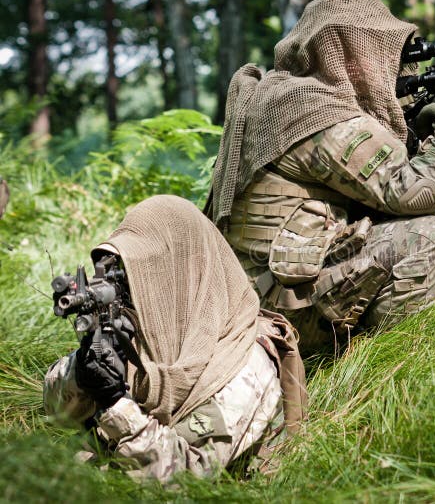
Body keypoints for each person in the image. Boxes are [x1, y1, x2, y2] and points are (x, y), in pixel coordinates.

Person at [206, 0, 435, 353]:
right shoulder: (311, 110)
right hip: (276, 311)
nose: (388, 65)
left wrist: (416, 135)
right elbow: (414, 192)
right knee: (429, 237)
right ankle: (399, 363)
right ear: (347, 50)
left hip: (258, 291)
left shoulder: (282, 98)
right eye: (377, 51)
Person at [43, 195, 306, 482]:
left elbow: (183, 480)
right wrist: (83, 369)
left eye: (141, 279)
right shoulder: (163, 332)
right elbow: (56, 412)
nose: (133, 297)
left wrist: (116, 403)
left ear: (180, 276)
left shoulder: (246, 370)